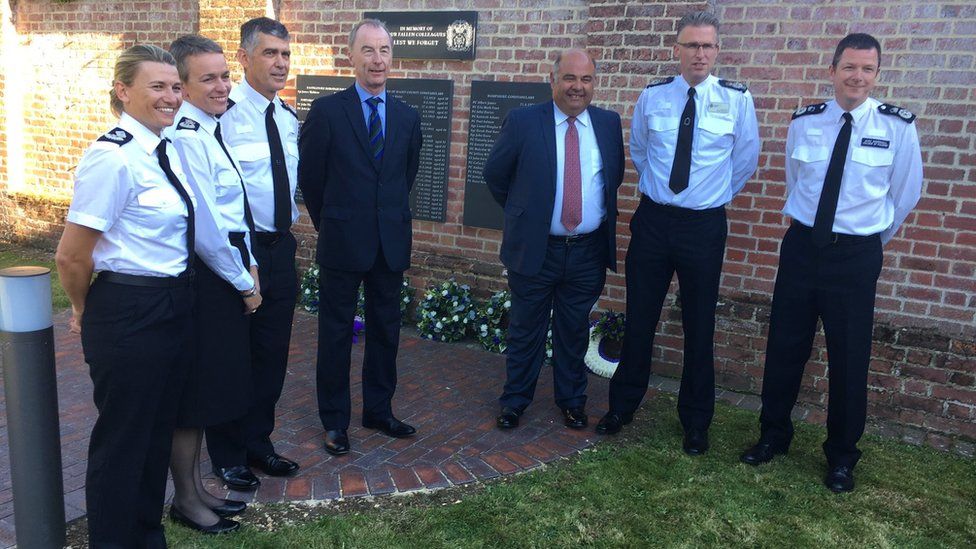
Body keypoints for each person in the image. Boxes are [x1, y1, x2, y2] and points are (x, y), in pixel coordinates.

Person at [54, 44, 259, 547]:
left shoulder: (166, 148)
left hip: (173, 304)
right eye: (157, 86)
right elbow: (71, 256)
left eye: (173, 86)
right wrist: (83, 307)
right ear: (123, 91)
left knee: (154, 435)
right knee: (124, 442)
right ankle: (114, 539)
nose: (170, 97)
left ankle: (145, 534)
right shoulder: (113, 158)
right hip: (129, 310)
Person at [740, 33, 923, 493]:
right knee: (784, 348)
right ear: (833, 69)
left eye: (867, 69)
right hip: (802, 249)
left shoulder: (897, 128)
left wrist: (867, 241)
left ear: (876, 74)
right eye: (849, 67)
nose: (857, 76)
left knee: (849, 360)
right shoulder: (806, 121)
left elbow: (904, 194)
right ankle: (773, 436)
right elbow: (795, 179)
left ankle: (842, 457)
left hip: (856, 257)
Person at [597, 11, 760, 456]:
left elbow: (745, 160)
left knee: (700, 325)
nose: (699, 54)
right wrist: (667, 198)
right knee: (640, 317)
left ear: (717, 51)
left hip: (704, 227)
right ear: (677, 49)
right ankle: (623, 406)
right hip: (654, 221)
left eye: (707, 46)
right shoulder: (653, 97)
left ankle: (695, 422)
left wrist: (709, 197)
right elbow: (642, 153)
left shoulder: (737, 100)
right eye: (691, 45)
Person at [298, 19, 423, 456]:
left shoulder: (407, 116)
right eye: (368, 50)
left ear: (393, 57)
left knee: (386, 331)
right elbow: (311, 178)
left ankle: (378, 410)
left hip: (389, 244)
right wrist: (331, 222)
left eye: (385, 50)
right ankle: (335, 421)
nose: (377, 59)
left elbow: (404, 175)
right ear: (351, 56)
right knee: (335, 335)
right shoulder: (328, 112)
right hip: (342, 243)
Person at [483, 48, 625, 430]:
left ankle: (572, 400)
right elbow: (496, 175)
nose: (577, 87)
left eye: (586, 79)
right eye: (569, 78)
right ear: (553, 80)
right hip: (536, 249)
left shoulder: (608, 124)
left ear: (594, 83)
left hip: (586, 252)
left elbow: (614, 179)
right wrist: (524, 213)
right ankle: (515, 402)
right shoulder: (524, 122)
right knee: (525, 329)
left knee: (574, 329)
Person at [163, 34, 262, 533]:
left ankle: (196, 488)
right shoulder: (186, 135)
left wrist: (250, 267)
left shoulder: (210, 129)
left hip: (224, 277)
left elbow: (233, 215)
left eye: (225, 75)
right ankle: (186, 499)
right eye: (209, 78)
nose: (224, 86)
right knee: (193, 397)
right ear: (180, 86)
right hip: (208, 282)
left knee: (204, 396)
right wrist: (245, 282)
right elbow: (206, 228)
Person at [209, 17, 301, 488]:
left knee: (270, 357)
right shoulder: (222, 117)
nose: (280, 63)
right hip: (239, 254)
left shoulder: (287, 118)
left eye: (285, 54)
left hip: (280, 250)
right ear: (244, 58)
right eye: (269, 53)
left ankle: (259, 443)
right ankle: (227, 453)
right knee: (233, 358)